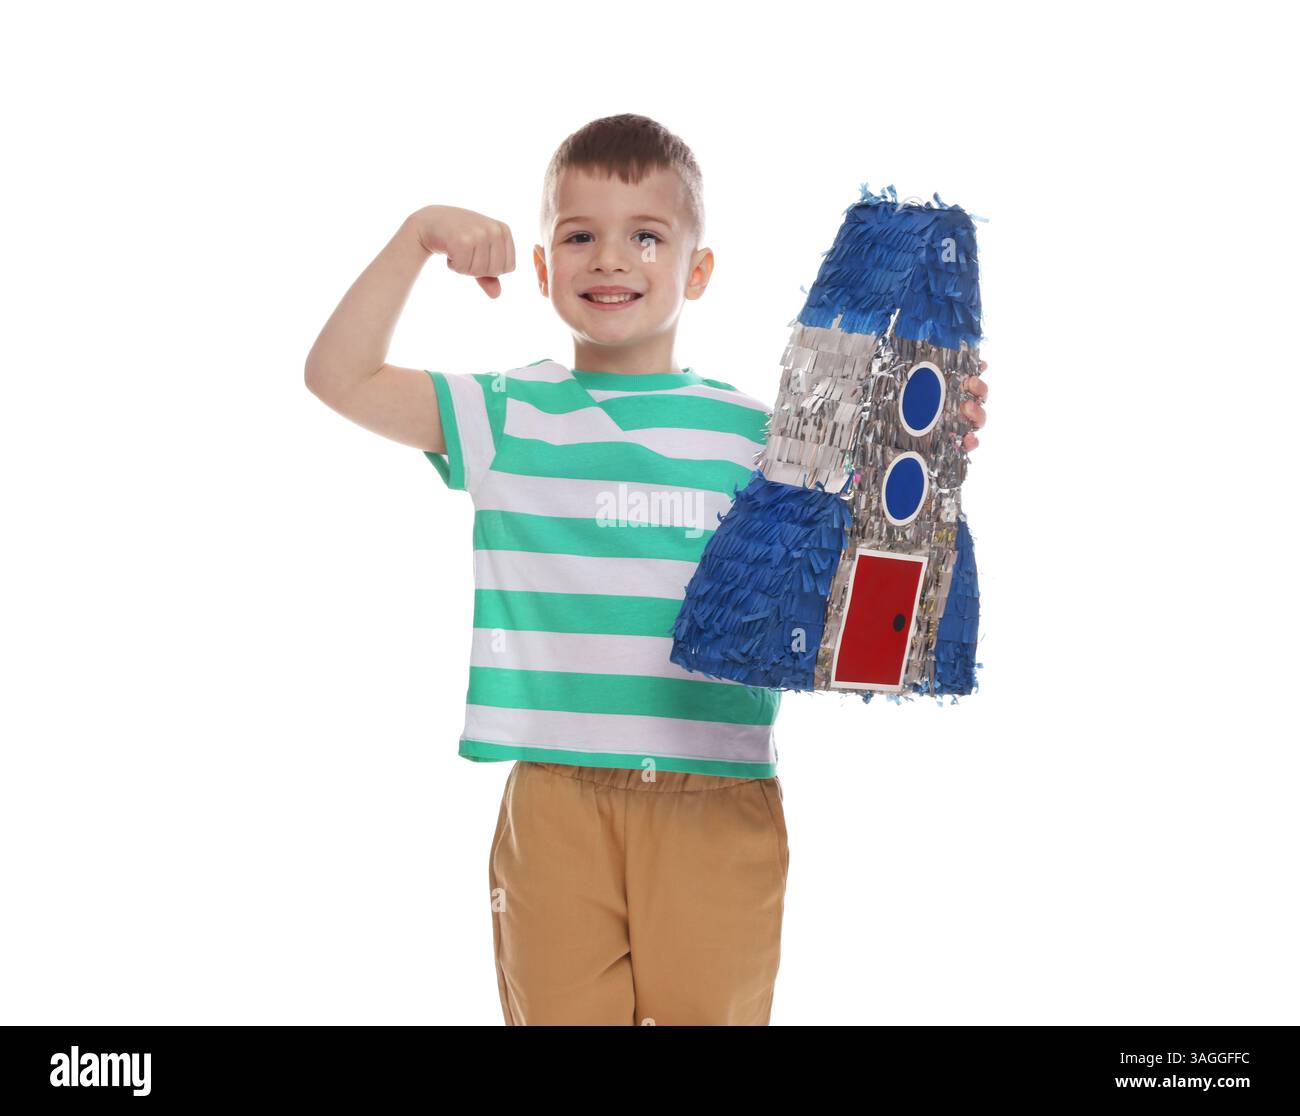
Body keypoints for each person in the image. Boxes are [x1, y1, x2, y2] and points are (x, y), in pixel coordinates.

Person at [304, 113, 990, 1025]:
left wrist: (933, 423)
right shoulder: (504, 414)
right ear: (544, 270)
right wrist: (419, 234)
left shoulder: (764, 438)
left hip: (719, 795)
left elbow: (881, 543)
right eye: (579, 235)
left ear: (696, 270)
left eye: (646, 237)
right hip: (555, 796)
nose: (609, 260)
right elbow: (339, 377)